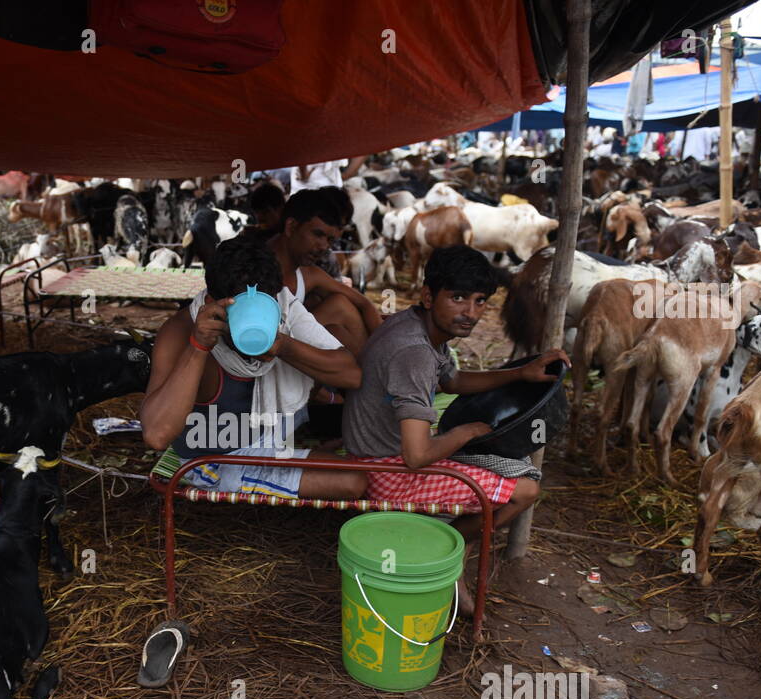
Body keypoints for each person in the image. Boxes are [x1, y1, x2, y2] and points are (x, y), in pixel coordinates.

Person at [342, 245, 568, 611]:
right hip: (385, 470)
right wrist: (466, 433)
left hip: (387, 453)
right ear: (429, 296)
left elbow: (452, 380)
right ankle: (450, 551)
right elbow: (416, 457)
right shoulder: (413, 351)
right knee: (525, 490)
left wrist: (519, 373)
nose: (471, 313)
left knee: (511, 461)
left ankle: (446, 543)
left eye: (480, 301)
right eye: (458, 298)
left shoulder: (418, 325)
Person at [140, 236, 366, 500]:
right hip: (218, 458)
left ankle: (300, 440)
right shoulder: (181, 332)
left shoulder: (280, 302)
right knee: (353, 480)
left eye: (266, 305)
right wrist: (198, 346)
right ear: (214, 300)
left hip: (270, 429)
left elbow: (351, 375)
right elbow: (157, 435)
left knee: (336, 337)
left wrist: (283, 346)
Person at [265, 186, 381, 357]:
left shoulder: (309, 274)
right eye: (317, 234)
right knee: (339, 308)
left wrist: (390, 346)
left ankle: (377, 369)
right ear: (291, 227)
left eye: (330, 239)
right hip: (263, 357)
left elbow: (363, 303)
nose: (324, 247)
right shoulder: (254, 265)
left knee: (339, 316)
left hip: (290, 354)